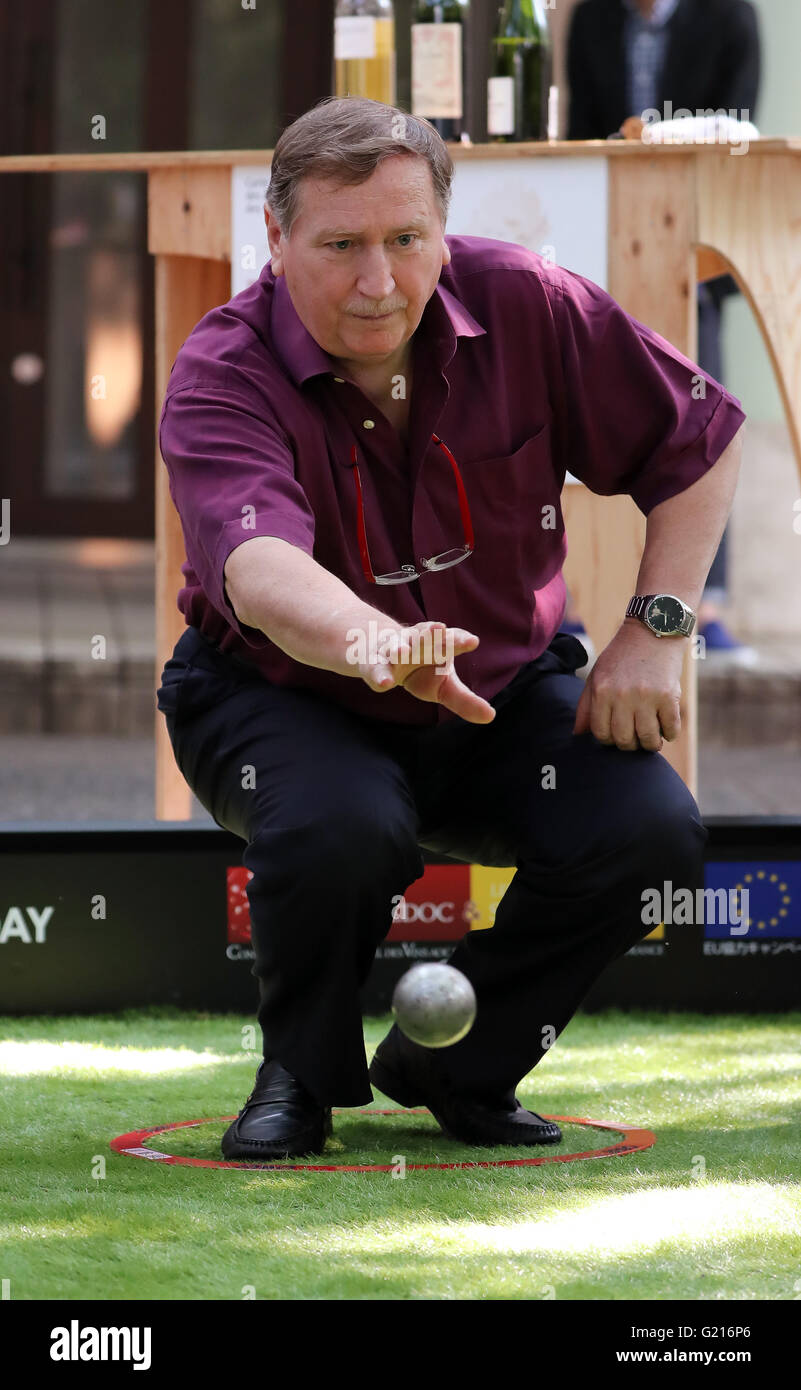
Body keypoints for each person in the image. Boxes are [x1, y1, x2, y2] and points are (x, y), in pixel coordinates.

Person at [156, 96, 745, 1161]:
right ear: (277, 240)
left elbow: (699, 440)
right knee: (342, 821)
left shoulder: (527, 302)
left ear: (442, 230)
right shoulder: (219, 371)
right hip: (280, 697)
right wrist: (374, 643)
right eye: (339, 245)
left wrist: (657, 627)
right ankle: (300, 1072)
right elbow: (258, 567)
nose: (377, 283)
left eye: (404, 240)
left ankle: (460, 1063)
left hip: (500, 695)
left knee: (650, 826)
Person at [566, 0, 761, 661]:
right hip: (607, 226)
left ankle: (706, 605)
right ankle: (583, 593)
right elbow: (579, 128)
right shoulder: (593, 18)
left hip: (693, 235)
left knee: (705, 412)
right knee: (593, 399)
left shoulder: (729, 15)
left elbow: (739, 128)